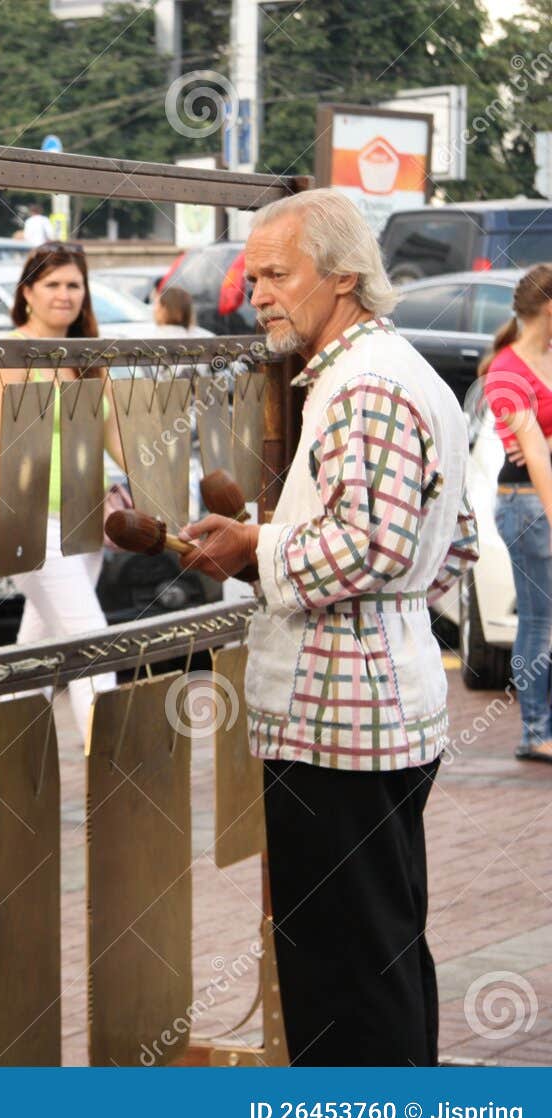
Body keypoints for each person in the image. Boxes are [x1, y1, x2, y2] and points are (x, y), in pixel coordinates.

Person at [179, 188, 478, 1066]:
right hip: (378, 706)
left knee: (347, 972)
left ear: (343, 277)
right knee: (380, 948)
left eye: (277, 274)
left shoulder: (366, 385)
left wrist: (254, 546)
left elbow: (371, 544)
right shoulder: (393, 370)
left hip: (341, 725)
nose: (256, 292)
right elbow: (447, 546)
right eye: (253, 274)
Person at [0, 242, 122, 746]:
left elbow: (119, 444)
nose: (64, 295)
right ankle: (108, 766)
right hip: (32, 525)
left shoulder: (89, 360)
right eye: (52, 284)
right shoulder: (12, 355)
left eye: (73, 285)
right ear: (28, 293)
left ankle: (0, 761)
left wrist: (149, 490)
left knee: (35, 659)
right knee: (93, 644)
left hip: (84, 523)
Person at [478, 264, 552, 763]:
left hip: (537, 493)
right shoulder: (507, 371)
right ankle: (536, 731)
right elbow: (536, 456)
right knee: (540, 621)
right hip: (528, 503)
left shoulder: (545, 359)